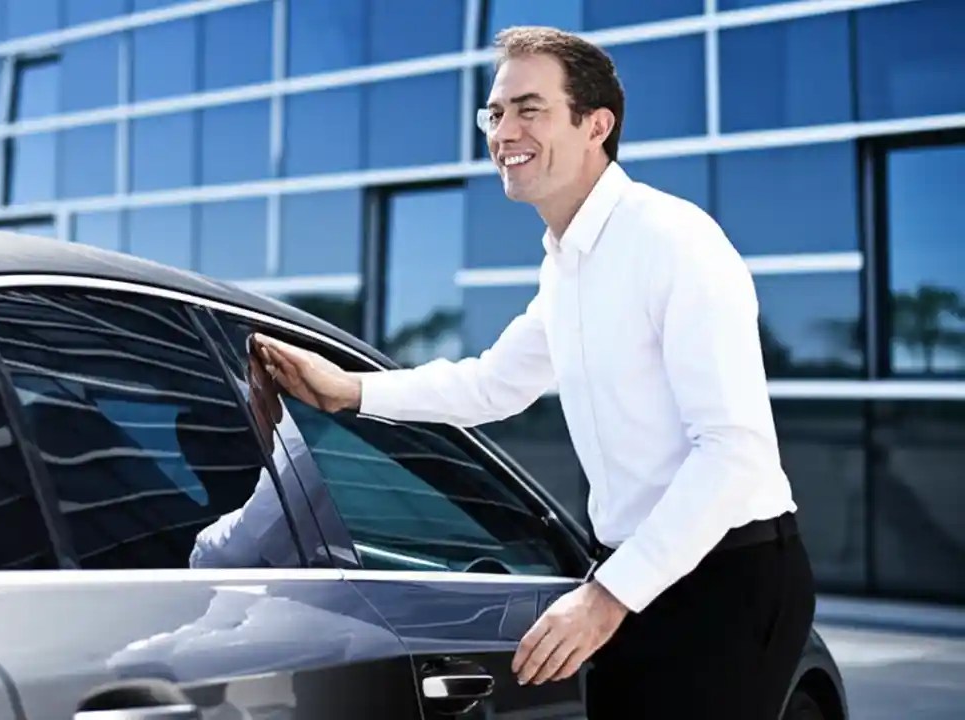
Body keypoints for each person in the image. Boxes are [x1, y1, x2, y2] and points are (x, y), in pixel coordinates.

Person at [252, 25, 816, 720]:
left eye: (529, 108)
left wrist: (607, 598)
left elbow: (733, 453)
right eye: (495, 113)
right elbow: (493, 384)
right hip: (632, 575)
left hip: (729, 578)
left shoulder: (674, 242)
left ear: (595, 126)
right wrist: (351, 390)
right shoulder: (566, 264)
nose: (503, 130)